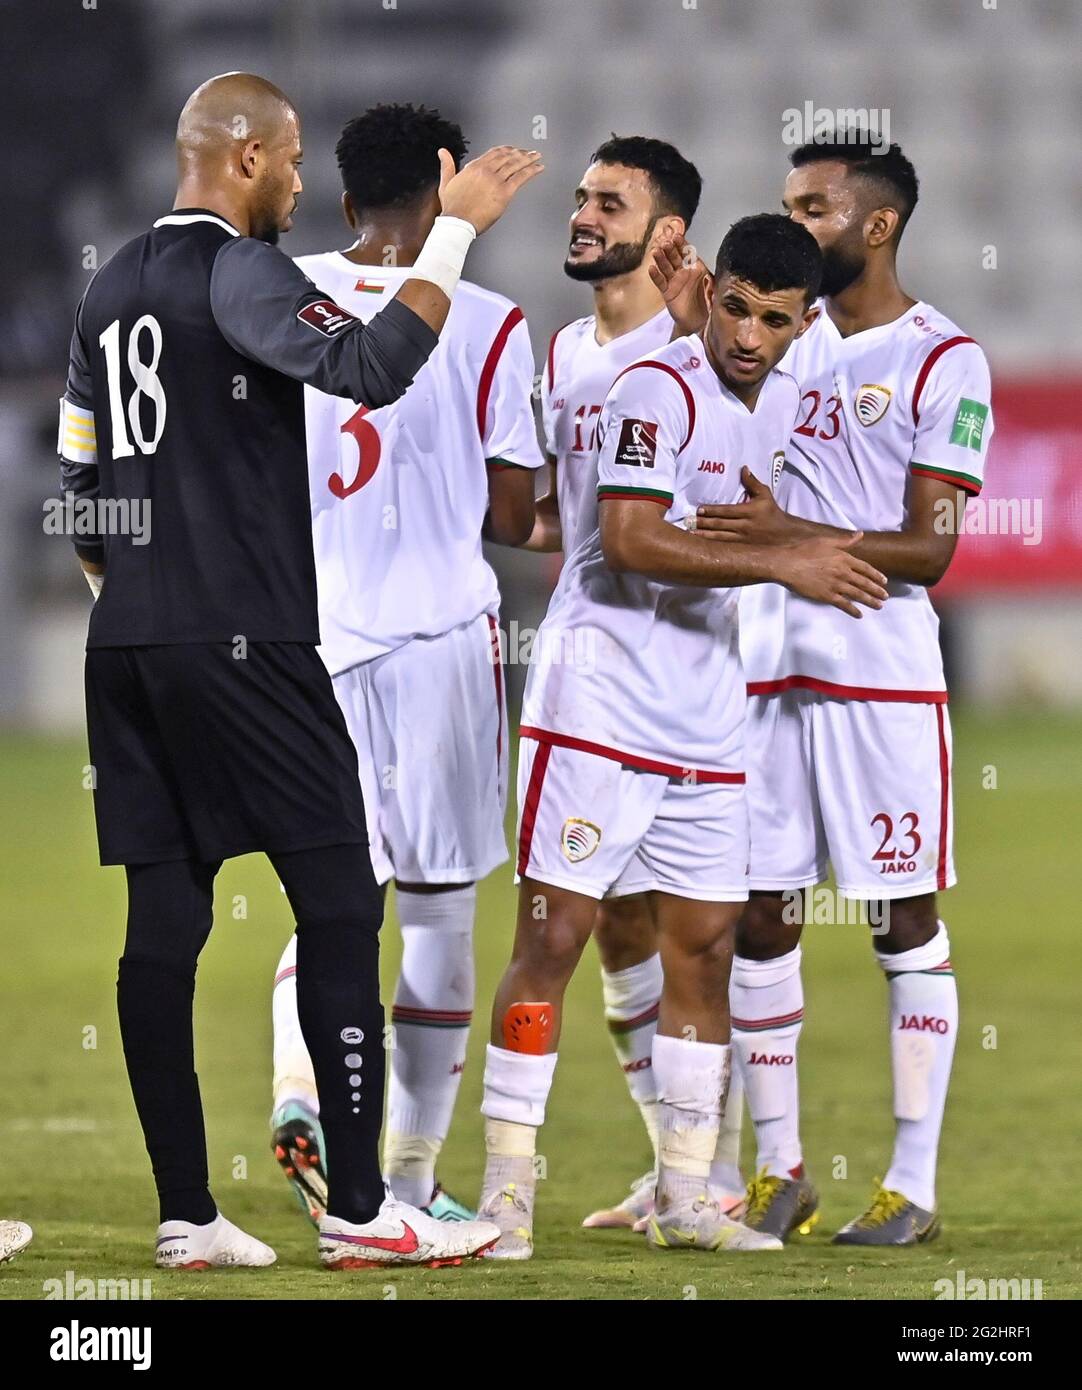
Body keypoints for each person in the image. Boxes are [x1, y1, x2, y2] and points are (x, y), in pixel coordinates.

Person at [57, 70, 541, 1270]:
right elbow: (372, 367)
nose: (291, 187)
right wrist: (464, 225)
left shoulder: (106, 288)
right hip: (252, 640)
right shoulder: (239, 270)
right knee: (338, 901)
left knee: (162, 921)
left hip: (124, 645)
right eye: (280, 163)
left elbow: (74, 492)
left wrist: (145, 598)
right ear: (241, 156)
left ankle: (188, 1214)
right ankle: (368, 1209)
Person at [477, 214, 888, 1260]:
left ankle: (686, 1194)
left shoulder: (791, 399)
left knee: (701, 954)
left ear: (802, 325)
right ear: (714, 296)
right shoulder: (651, 389)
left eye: (774, 320)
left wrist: (786, 539)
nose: (748, 335)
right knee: (552, 941)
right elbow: (624, 538)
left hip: (705, 720)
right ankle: (503, 1197)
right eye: (736, 307)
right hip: (596, 709)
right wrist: (783, 562)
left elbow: (765, 525)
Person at [658, 132, 993, 1245]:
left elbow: (928, 550)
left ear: (876, 223)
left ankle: (910, 1184)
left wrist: (787, 535)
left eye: (811, 208)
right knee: (761, 918)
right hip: (758, 670)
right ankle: (780, 1170)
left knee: (898, 920)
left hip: (875, 680)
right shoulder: (778, 340)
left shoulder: (942, 359)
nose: (792, 224)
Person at [268, 102, 544, 1225]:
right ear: (447, 188)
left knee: (328, 908)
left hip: (314, 644)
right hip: (437, 642)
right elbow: (514, 511)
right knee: (434, 916)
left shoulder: (269, 293)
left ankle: (298, 1091)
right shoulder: (485, 318)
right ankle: (412, 1184)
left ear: (340, 203)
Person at [526, 136, 748, 1231]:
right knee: (603, 927)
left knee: (698, 937)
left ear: (666, 233)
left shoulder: (711, 349)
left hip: (701, 689)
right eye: (577, 196)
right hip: (592, 687)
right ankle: (669, 1167)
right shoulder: (561, 350)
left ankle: (716, 1171)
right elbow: (553, 518)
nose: (579, 213)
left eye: (604, 202)